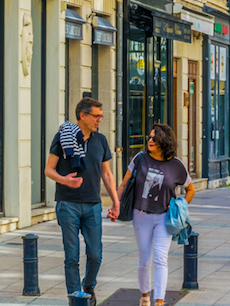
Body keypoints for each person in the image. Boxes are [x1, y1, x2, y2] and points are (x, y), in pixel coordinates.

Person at [44, 98, 120, 306]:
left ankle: (88, 287)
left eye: (100, 116)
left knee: (95, 254)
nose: (99, 120)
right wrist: (64, 180)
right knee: (72, 256)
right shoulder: (63, 138)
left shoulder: (101, 140)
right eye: (96, 116)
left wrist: (115, 201)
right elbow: (48, 169)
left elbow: (106, 174)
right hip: (67, 204)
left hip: (93, 204)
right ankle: (75, 297)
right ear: (82, 116)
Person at [118, 123, 196, 306]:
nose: (150, 140)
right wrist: (115, 204)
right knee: (144, 259)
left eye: (154, 137)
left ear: (164, 141)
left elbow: (190, 189)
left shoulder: (176, 165)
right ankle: (145, 297)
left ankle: (159, 301)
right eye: (149, 137)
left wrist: (180, 206)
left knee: (161, 258)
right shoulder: (139, 158)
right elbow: (124, 184)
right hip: (141, 215)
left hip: (163, 217)